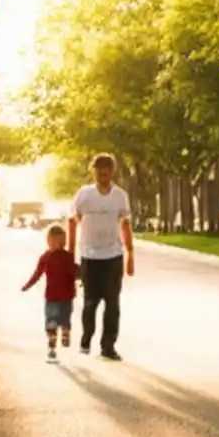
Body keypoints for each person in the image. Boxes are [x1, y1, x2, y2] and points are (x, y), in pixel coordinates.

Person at [72, 153, 134, 361]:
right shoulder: (84, 194)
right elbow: (74, 221)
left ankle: (108, 346)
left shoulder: (120, 196)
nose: (103, 174)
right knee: (90, 303)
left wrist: (130, 253)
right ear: (94, 171)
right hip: (90, 256)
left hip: (113, 255)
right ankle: (87, 336)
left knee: (113, 304)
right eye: (99, 170)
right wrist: (72, 254)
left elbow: (125, 224)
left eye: (106, 170)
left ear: (112, 172)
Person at [21, 224, 79, 363]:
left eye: (54, 241)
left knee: (57, 320)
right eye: (51, 240)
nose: (52, 243)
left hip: (59, 296)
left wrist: (27, 286)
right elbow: (38, 274)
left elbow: (38, 275)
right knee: (58, 320)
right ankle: (59, 340)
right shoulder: (60, 257)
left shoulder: (54, 257)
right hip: (59, 296)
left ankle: (59, 340)